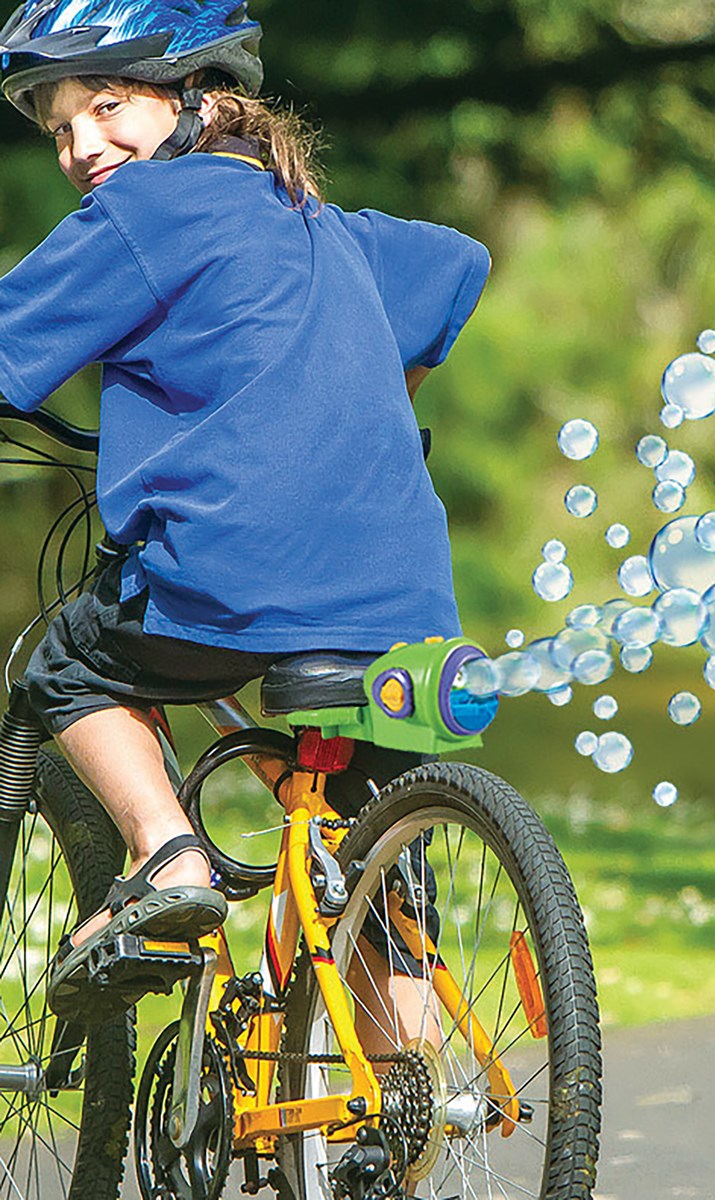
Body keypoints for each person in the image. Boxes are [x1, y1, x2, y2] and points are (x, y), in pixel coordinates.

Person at [0, 0, 489, 1042]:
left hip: (228, 576)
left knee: (61, 665)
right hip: (402, 593)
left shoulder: (142, 215)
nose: (84, 145)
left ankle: (166, 852)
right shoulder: (313, 212)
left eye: (106, 104)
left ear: (193, 94)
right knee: (371, 861)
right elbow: (456, 266)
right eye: (58, 128)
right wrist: (362, 405)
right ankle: (407, 1105)